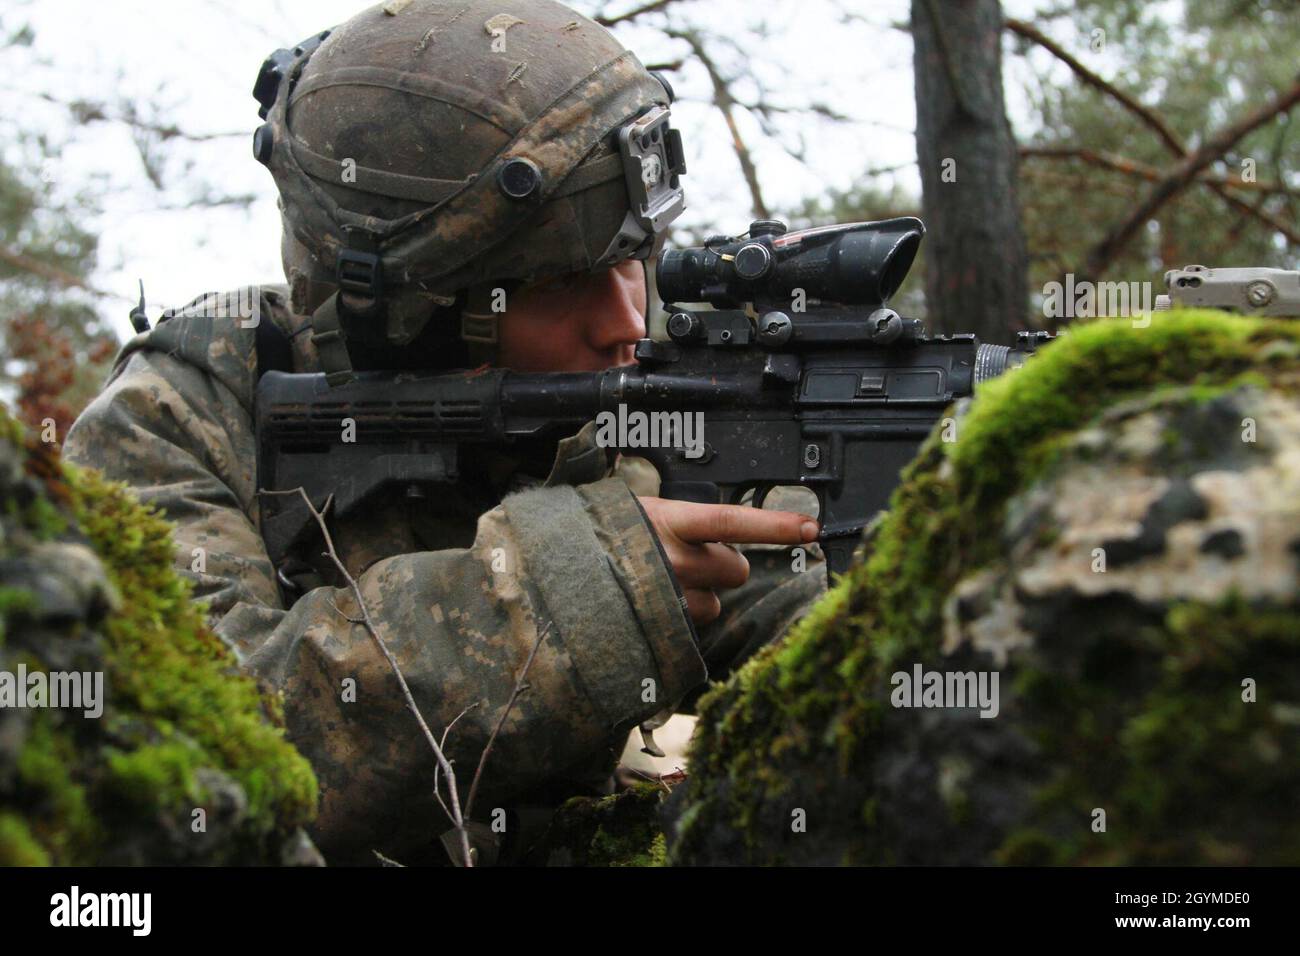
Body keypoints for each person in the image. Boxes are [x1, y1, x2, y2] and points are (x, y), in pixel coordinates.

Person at [65, 0, 825, 864]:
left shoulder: (653, 395)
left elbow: (786, 596)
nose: (628, 320)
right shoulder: (182, 420)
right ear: (416, 317)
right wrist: (564, 600)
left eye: (632, 257)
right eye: (561, 283)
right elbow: (178, 759)